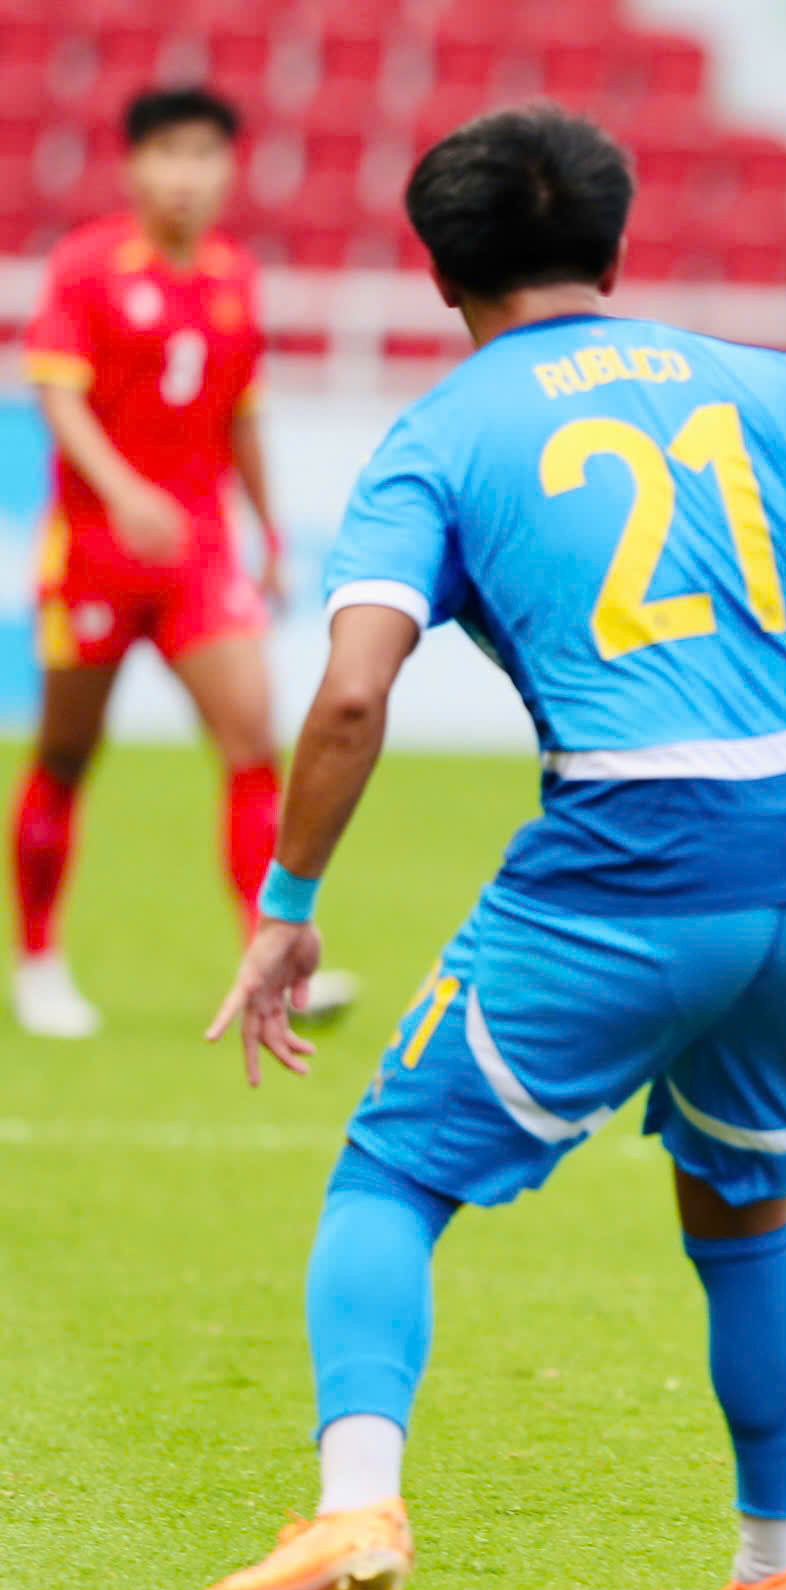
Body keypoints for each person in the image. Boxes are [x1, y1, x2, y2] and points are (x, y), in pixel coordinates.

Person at [176, 107, 786, 1590]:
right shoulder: (763, 384)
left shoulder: (442, 437)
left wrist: (285, 900)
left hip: (629, 849)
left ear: (441, 274)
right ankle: (770, 1579)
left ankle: (356, 1505)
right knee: (749, 1219)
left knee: (390, 1175)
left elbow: (343, 698)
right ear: (612, 244)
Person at [12, 86, 351, 1036]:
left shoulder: (236, 275)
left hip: (198, 558)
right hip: (95, 557)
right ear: (133, 165)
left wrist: (270, 530)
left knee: (252, 742)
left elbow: (242, 410)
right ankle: (38, 958)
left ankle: (272, 947)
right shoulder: (86, 267)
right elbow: (57, 394)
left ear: (229, 169)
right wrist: (121, 493)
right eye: (168, 153)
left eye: (205, 155)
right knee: (67, 755)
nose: (186, 175)